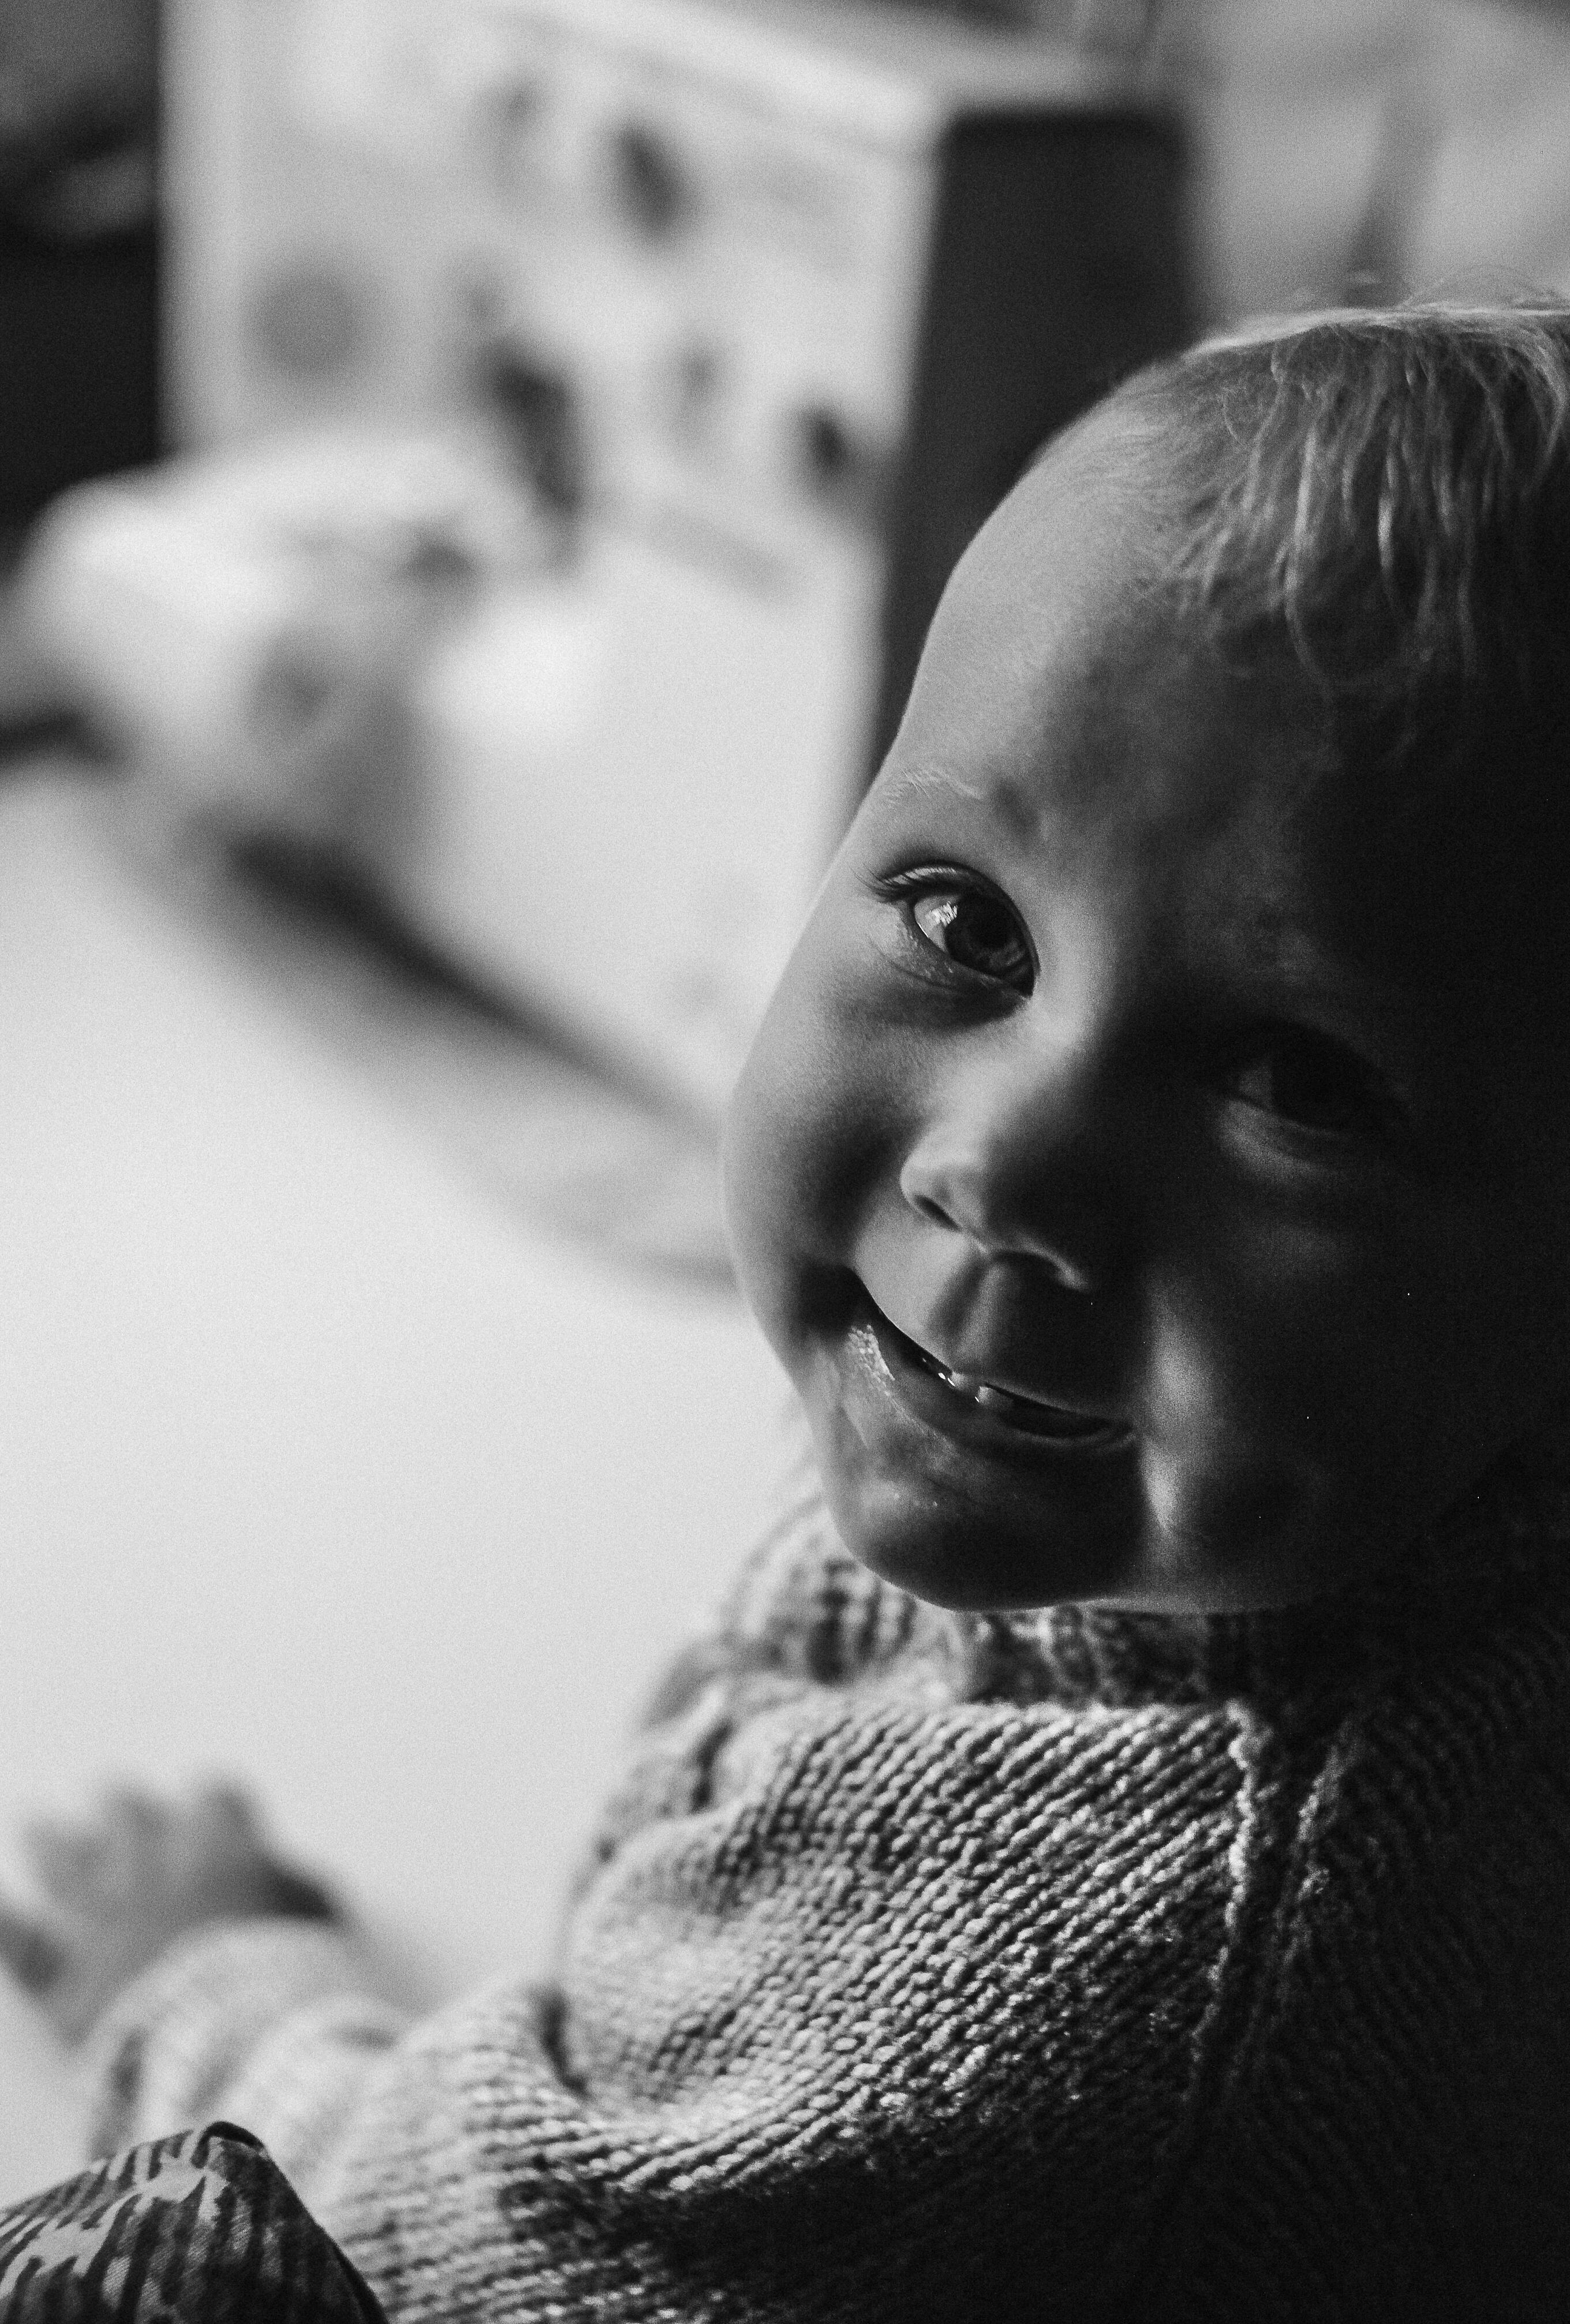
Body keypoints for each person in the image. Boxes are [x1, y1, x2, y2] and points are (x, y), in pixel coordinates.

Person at [6, 301, 1570, 2320]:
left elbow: (431, 2253)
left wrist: (206, 1992)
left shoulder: (1050, 2000)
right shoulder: (1207, 1455)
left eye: (1297, 1080)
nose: (1000, 1166)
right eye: (966, 923)